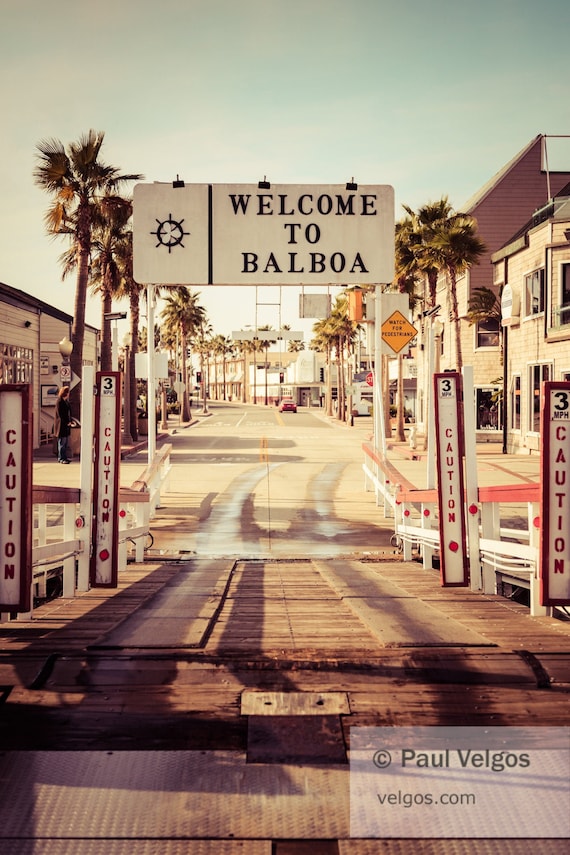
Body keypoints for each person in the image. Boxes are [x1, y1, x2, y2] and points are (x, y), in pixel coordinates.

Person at [54, 386, 75, 463]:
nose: (69, 394)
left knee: (65, 443)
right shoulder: (59, 402)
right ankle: (61, 458)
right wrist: (67, 422)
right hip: (61, 426)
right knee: (62, 443)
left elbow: (69, 413)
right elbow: (60, 415)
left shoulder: (66, 402)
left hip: (66, 426)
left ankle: (64, 457)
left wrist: (70, 421)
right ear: (65, 393)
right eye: (68, 392)